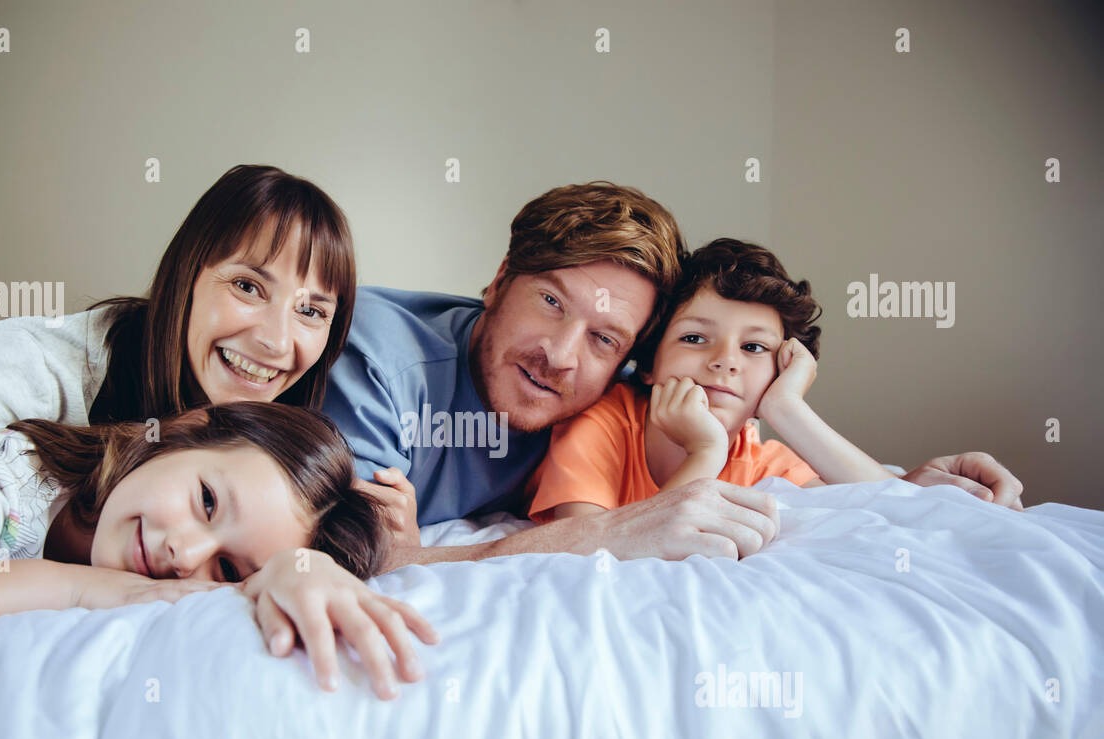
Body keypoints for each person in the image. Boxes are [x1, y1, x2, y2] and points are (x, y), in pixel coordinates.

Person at [0, 164, 431, 670]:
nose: (274, 340)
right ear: (187, 276)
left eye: (312, 311)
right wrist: (75, 588)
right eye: (247, 286)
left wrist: (311, 563)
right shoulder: (31, 394)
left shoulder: (266, 433)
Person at [323, 180, 1025, 580]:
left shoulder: (631, 389)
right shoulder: (378, 359)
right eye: (549, 301)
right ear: (499, 280)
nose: (562, 357)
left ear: (633, 359)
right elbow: (352, 556)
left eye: (604, 337)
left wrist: (910, 488)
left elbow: (728, 409)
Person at [0, 402, 434, 700]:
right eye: (207, 501)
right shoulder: (0, 480)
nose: (184, 555)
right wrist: (73, 588)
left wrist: (302, 567)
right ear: (184, 432)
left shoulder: (185, 576)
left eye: (228, 569)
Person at [526, 239, 894, 521]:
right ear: (649, 361)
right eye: (694, 338)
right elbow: (591, 549)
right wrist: (705, 453)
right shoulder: (601, 423)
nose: (724, 361)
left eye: (753, 346)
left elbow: (895, 505)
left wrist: (787, 408)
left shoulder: (755, 457)